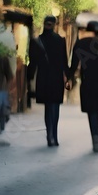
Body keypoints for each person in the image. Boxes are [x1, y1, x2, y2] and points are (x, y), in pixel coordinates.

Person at [67, 21, 98, 153]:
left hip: (87, 81)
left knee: (91, 110)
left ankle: (95, 135)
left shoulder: (81, 43)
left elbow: (73, 65)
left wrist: (69, 77)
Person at [29, 15, 69, 146]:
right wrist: (68, 77)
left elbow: (33, 62)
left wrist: (29, 78)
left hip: (44, 78)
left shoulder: (37, 41)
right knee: (55, 107)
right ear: (55, 25)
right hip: (56, 78)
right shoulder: (60, 41)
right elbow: (64, 61)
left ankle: (49, 134)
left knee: (48, 107)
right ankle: (54, 136)